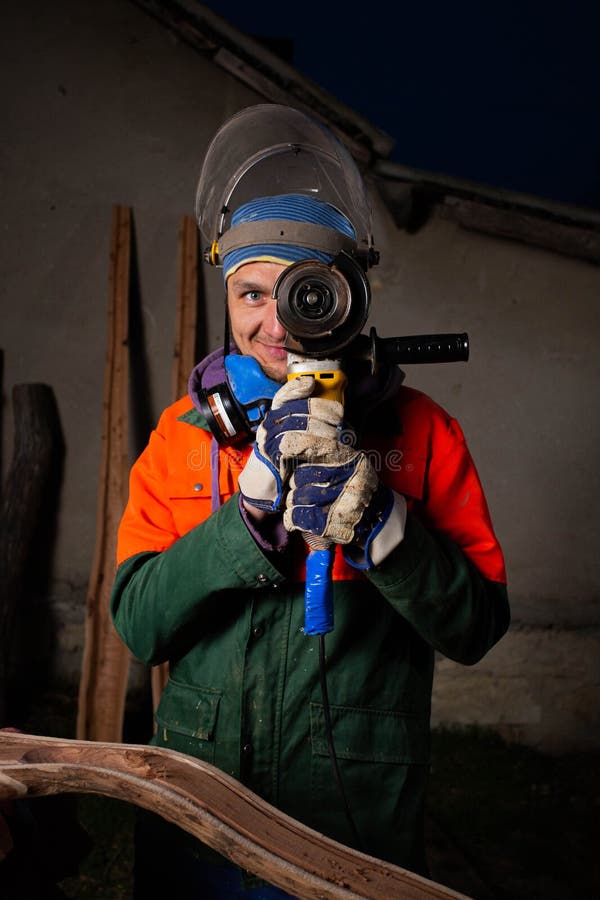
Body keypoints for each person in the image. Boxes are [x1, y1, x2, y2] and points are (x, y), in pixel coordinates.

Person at [110, 105, 509, 897]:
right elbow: (139, 626)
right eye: (251, 293)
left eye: (306, 292)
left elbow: (475, 628)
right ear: (225, 295)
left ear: (351, 296)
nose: (276, 321)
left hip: (355, 824)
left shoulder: (424, 433)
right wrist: (245, 518)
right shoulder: (181, 436)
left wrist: (386, 530)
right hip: (201, 808)